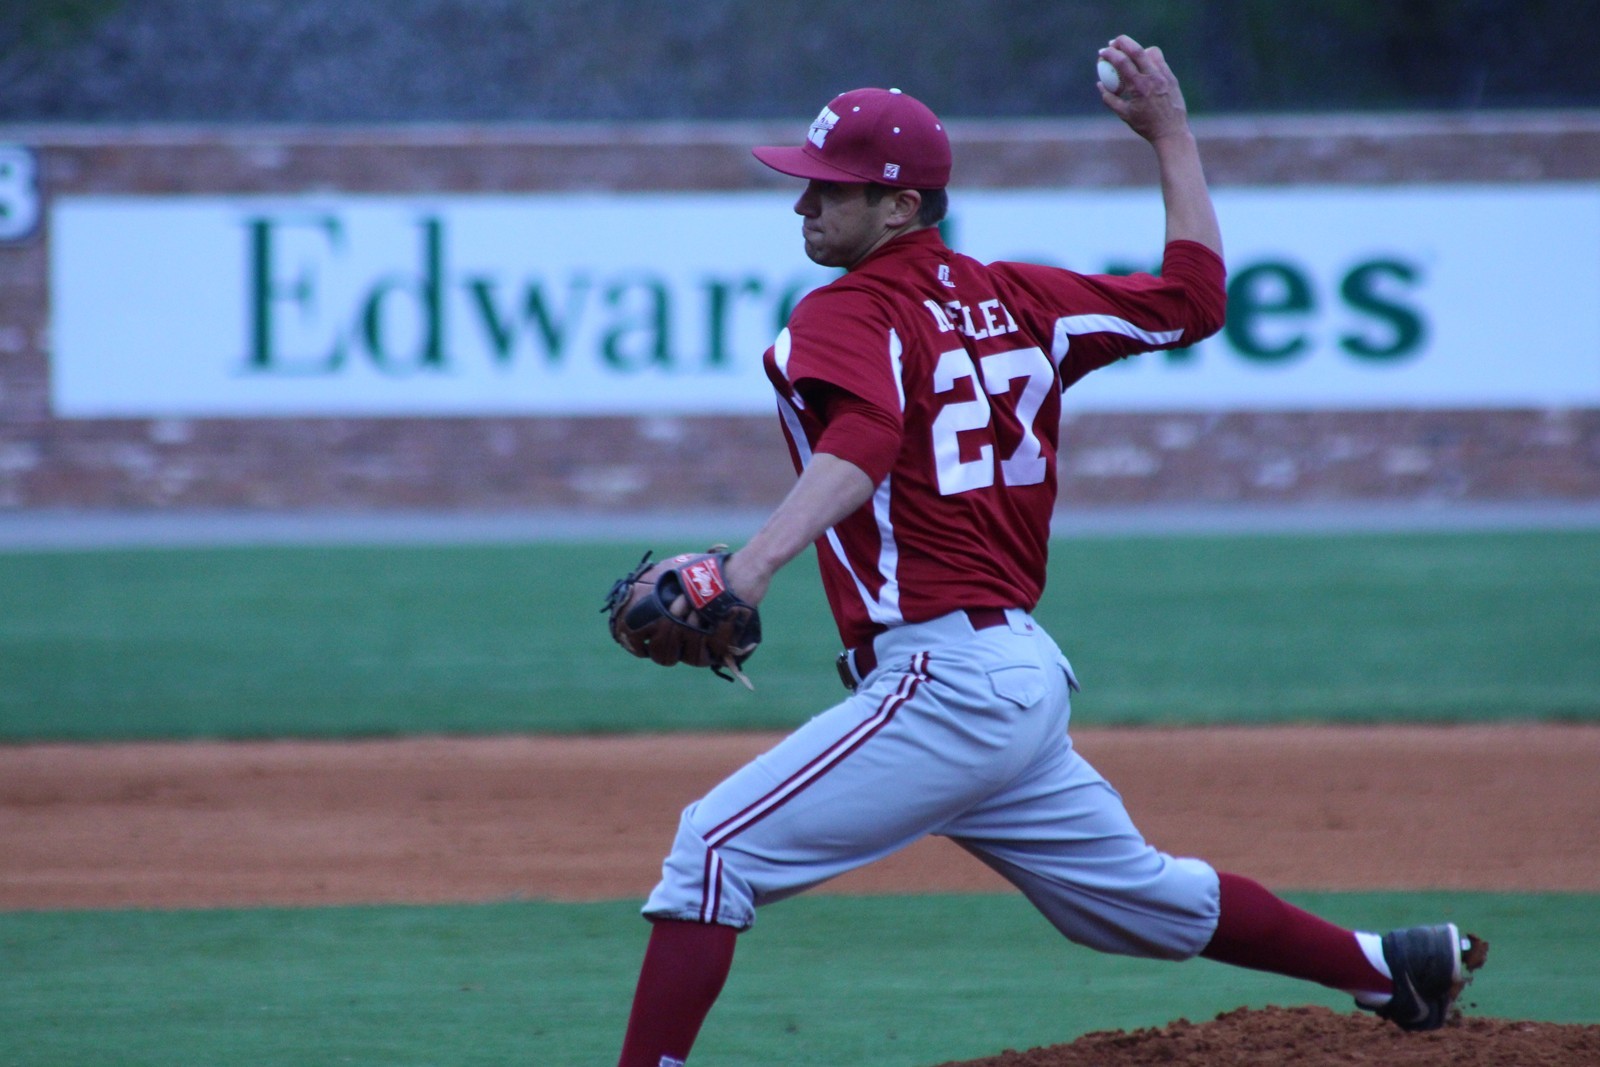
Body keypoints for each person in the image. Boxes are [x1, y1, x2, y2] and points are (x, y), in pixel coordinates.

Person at [615, 35, 1479, 1067]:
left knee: (712, 850)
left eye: (832, 189)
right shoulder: (1025, 298)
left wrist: (745, 569)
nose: (804, 204)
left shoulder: (846, 309)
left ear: (901, 206)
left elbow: (867, 437)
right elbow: (1195, 299)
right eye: (806, 184)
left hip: (946, 679)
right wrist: (1171, 136)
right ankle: (1389, 965)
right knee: (1136, 899)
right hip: (1014, 675)